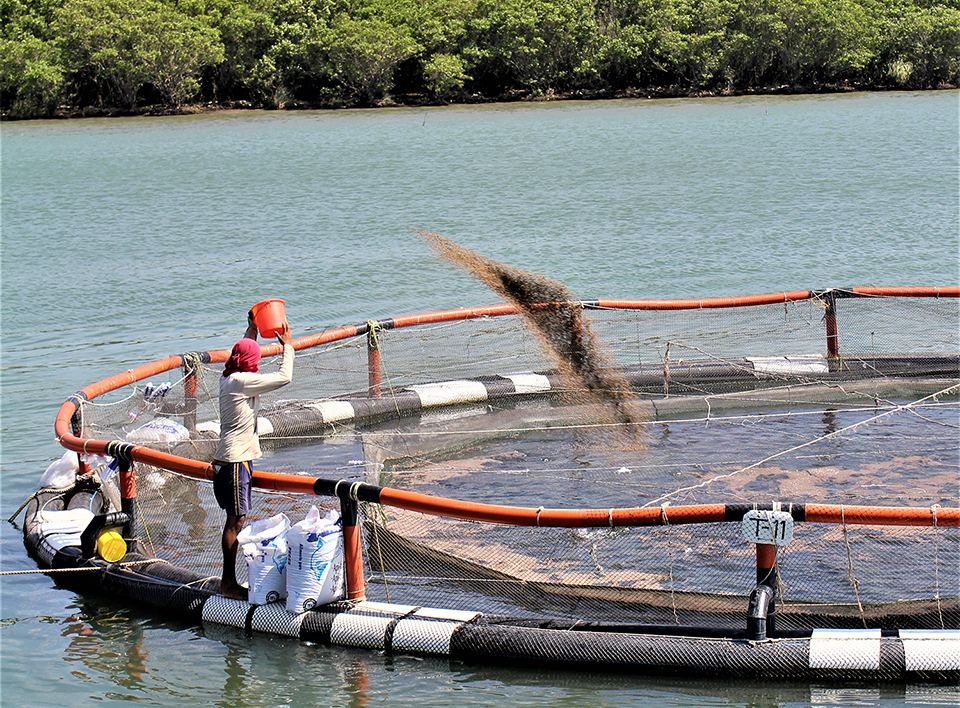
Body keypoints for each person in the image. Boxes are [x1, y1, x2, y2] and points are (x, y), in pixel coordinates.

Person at [213, 311, 294, 600]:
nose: (257, 365)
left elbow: (245, 349)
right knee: (234, 523)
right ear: (248, 365)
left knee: (233, 521)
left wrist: (252, 329)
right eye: (256, 361)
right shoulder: (241, 383)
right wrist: (287, 345)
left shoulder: (228, 377)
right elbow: (285, 377)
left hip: (226, 461)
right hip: (235, 464)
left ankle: (229, 580)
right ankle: (228, 583)